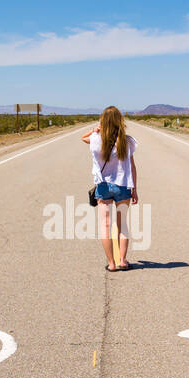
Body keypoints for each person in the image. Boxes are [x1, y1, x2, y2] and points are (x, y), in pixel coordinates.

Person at [80, 106, 139, 271]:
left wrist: (95, 129)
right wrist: (134, 189)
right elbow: (132, 167)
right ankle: (123, 260)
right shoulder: (127, 141)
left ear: (103, 121)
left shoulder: (96, 139)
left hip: (104, 187)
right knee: (122, 225)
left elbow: (82, 137)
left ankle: (111, 264)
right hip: (123, 187)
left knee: (105, 226)